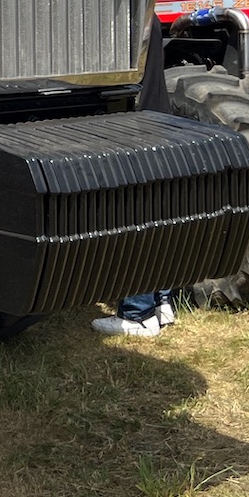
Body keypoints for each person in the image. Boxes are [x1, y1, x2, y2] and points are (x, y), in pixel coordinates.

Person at [93, 18, 179, 338]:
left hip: (134, 126)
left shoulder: (120, 17)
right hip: (157, 119)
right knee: (156, 217)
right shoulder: (148, 15)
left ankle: (137, 314)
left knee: (133, 220)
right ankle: (162, 303)